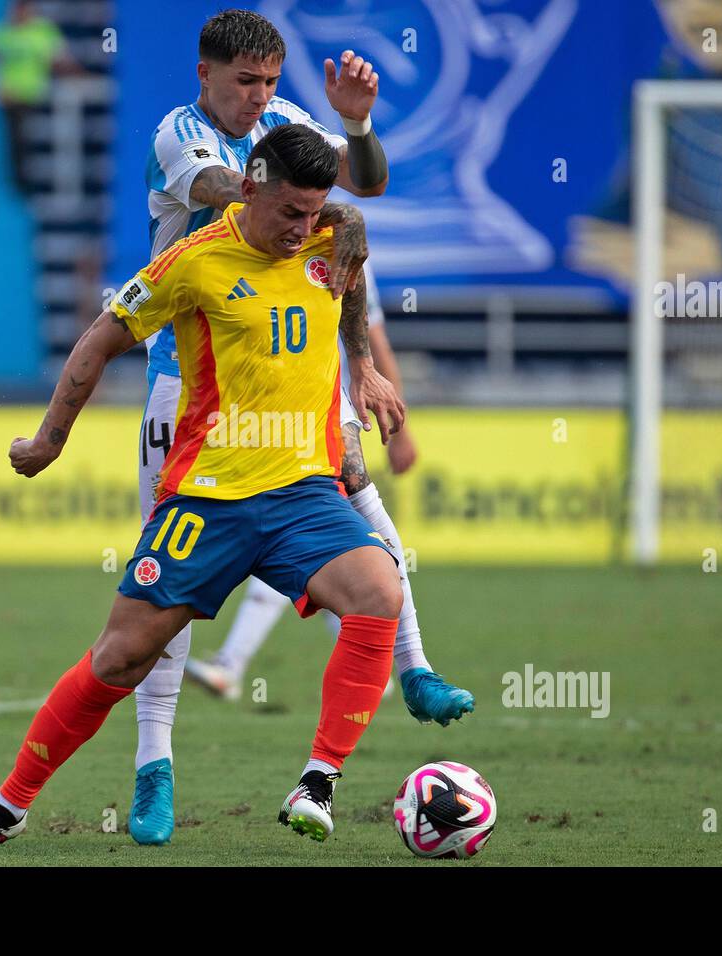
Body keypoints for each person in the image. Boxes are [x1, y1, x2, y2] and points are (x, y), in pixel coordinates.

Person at [0, 124, 406, 849]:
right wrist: (50, 440)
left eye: (316, 212)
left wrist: (363, 365)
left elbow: (351, 278)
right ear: (252, 186)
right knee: (119, 657)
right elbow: (100, 337)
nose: (303, 228)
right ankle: (7, 805)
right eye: (291, 212)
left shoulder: (330, 238)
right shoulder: (193, 262)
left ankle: (318, 780)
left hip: (303, 491)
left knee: (380, 588)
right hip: (207, 497)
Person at [124, 8, 472, 848]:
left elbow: (368, 184)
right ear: (205, 75)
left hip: (292, 380)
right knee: (159, 601)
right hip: (192, 391)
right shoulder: (180, 135)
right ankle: (153, 766)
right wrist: (294, 195)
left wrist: (352, 125)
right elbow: (221, 191)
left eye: (272, 83)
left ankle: (415, 668)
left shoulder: (286, 127)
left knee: (366, 511)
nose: (260, 98)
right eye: (245, 82)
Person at [184, 275, 422, 699]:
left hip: (324, 425)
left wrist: (400, 429)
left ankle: (234, 663)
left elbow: (374, 342)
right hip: (266, 423)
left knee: (308, 538)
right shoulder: (249, 252)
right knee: (317, 547)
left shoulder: (345, 256)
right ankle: (378, 664)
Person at [0, 0, 81, 194]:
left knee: (30, 144)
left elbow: (60, 59)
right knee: (15, 146)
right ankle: (21, 187)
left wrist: (78, 74)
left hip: (34, 98)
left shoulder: (43, 32)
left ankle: (34, 185)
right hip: (8, 99)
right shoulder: (2, 32)